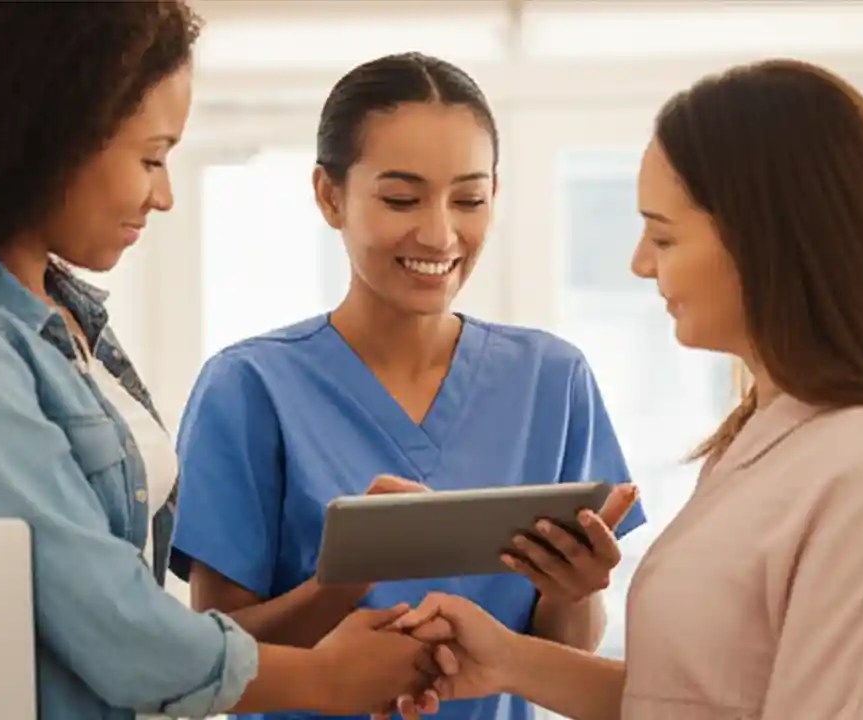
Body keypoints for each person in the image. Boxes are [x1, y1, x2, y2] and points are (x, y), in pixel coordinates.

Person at [0, 3, 441, 719]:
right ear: (44, 137)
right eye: (152, 156)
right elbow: (110, 625)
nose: (166, 194)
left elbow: (136, 623)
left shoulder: (66, 319)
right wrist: (325, 681)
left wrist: (340, 593)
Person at [390, 59, 863, 719]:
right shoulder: (774, 433)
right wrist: (509, 660)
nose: (640, 262)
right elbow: (698, 701)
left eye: (664, 235)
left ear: (767, 241)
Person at [170, 52, 645, 720]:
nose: (440, 232)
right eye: (401, 198)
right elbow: (210, 659)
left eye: (469, 199)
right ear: (329, 195)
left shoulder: (552, 381)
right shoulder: (249, 387)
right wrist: (344, 579)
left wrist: (574, 589)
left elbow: (560, 652)